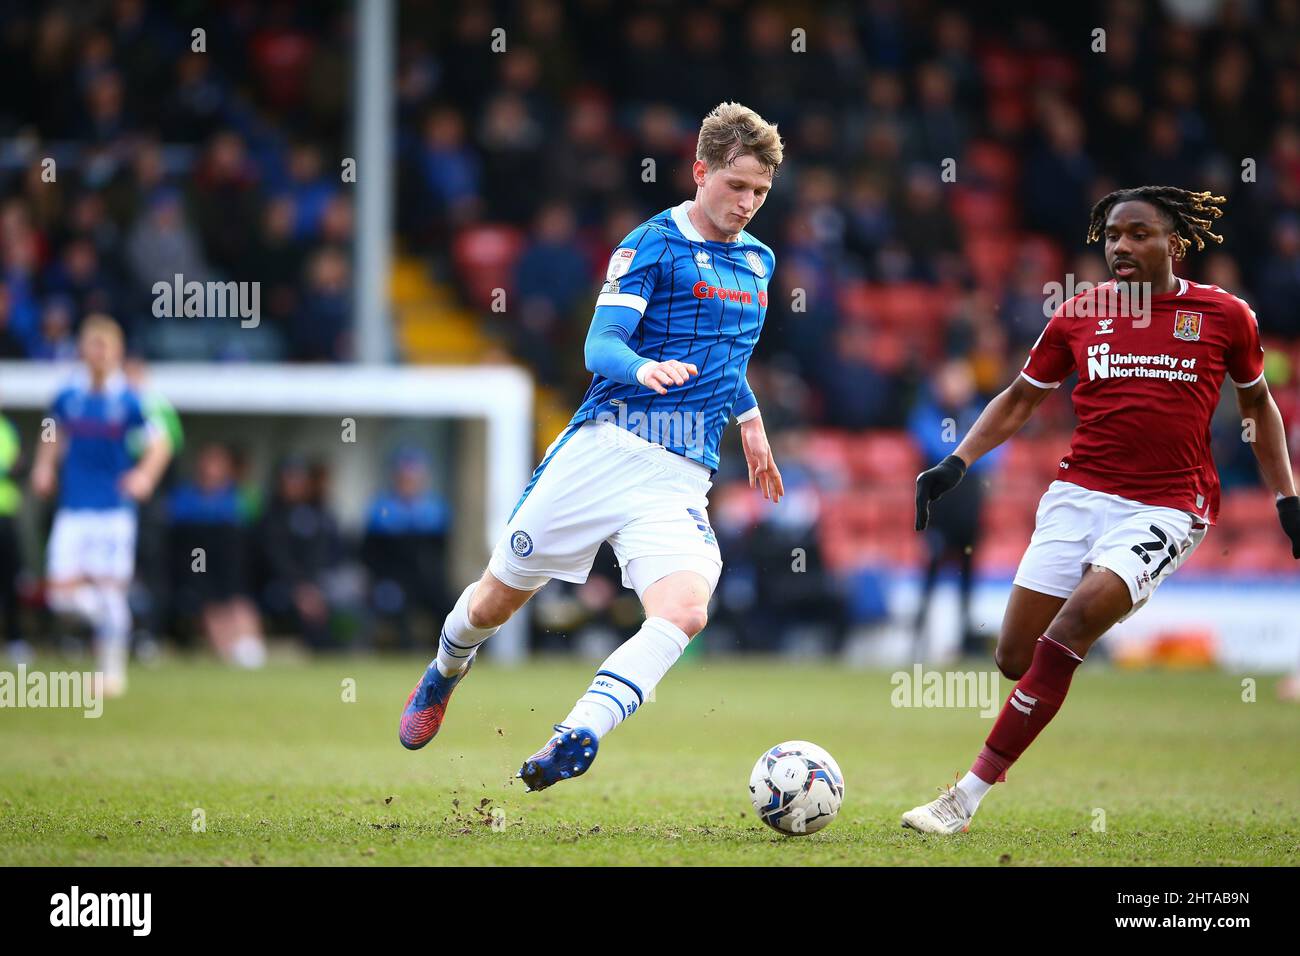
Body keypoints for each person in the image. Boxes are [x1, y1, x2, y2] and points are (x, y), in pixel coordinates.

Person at [398, 102, 787, 791]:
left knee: (686, 610)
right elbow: (599, 344)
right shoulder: (649, 245)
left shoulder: (759, 262)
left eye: (760, 191)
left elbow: (727, 360)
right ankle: (445, 669)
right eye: (736, 186)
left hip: (679, 474)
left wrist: (750, 419)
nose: (748, 203)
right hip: (605, 450)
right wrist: (642, 368)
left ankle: (579, 732)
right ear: (701, 171)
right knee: (493, 603)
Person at [903, 187, 1300, 833]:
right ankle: (1105, 602)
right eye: (1112, 235)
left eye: (1138, 233)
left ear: (1173, 243)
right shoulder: (1078, 313)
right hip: (1077, 496)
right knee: (1013, 658)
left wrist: (1287, 498)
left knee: (1071, 627)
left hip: (1169, 505)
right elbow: (1018, 398)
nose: (1120, 246)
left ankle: (964, 797)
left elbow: (1258, 407)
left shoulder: (1225, 316)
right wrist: (957, 461)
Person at [29, 315, 172, 697]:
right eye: (92, 344)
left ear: (118, 352)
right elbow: (50, 430)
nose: (98, 353)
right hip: (74, 506)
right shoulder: (67, 396)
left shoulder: (129, 399)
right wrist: (44, 466)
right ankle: (113, 623)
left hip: (113, 509)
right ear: (82, 349)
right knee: (61, 596)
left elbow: (161, 443)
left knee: (111, 588)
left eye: (105, 346)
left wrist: (145, 476)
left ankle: (112, 673)